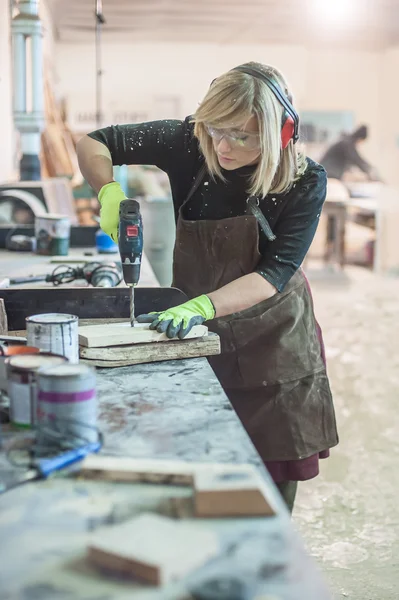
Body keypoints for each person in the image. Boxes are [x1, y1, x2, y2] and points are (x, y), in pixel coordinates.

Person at [77, 62, 339, 513]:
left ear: (282, 132)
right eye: (216, 129)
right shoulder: (188, 140)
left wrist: (201, 305)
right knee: (198, 461)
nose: (223, 145)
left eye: (242, 135)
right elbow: (93, 141)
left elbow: (274, 273)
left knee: (270, 483)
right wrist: (108, 193)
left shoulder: (304, 180)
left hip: (274, 339)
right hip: (197, 334)